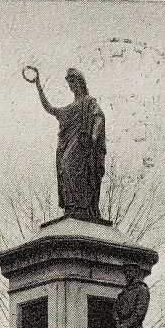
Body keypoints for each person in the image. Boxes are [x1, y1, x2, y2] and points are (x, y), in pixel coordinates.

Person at [28, 67, 106, 222]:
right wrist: (38, 85)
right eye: (69, 83)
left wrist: (93, 136)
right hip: (70, 144)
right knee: (64, 167)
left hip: (83, 146)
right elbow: (50, 109)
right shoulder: (70, 108)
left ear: (81, 83)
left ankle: (83, 207)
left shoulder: (88, 101)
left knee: (70, 167)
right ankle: (71, 206)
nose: (71, 86)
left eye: (73, 82)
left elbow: (99, 117)